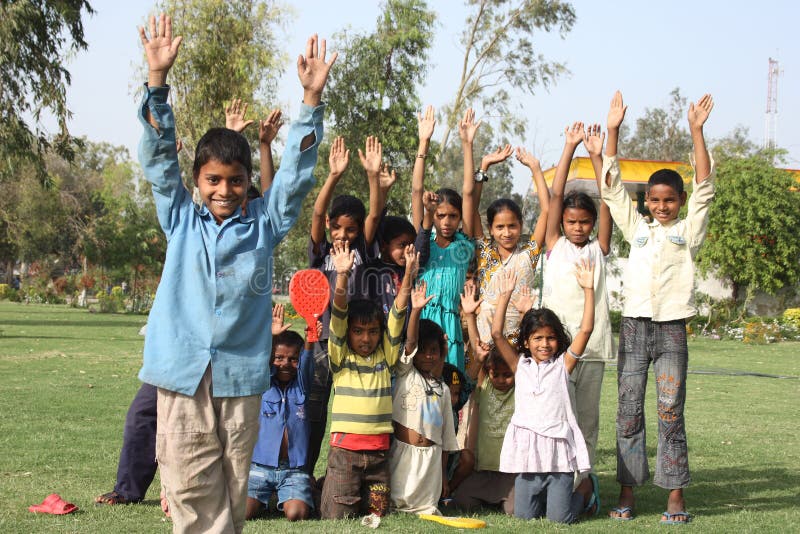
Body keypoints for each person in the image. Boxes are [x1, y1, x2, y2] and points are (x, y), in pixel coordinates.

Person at [136, 13, 335, 533]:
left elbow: (292, 180)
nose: (224, 190)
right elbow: (159, 161)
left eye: (236, 180)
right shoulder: (180, 218)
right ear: (198, 181)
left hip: (242, 377)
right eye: (213, 180)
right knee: (188, 486)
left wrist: (309, 103)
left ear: (249, 181)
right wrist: (157, 83)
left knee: (230, 485)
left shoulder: (262, 225)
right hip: (182, 374)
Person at [600, 91, 715, 525]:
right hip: (633, 328)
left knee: (670, 412)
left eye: (669, 200)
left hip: (671, 332)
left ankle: (675, 499)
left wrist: (697, 131)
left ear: (679, 203)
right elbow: (610, 188)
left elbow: (705, 186)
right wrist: (612, 131)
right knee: (628, 411)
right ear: (646, 201)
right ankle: (627, 494)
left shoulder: (688, 232)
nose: (661, 206)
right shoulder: (638, 229)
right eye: (654, 199)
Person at [305, 135, 388, 476]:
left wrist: (372, 176)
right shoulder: (321, 253)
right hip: (323, 342)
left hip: (355, 347)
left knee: (354, 414)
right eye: (337, 228)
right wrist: (333, 176)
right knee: (314, 410)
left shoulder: (363, 253)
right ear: (329, 228)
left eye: (350, 229)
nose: (343, 234)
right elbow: (317, 211)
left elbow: (374, 215)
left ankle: (349, 472)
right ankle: (303, 473)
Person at [541, 121, 614, 498]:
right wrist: (570, 148)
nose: (578, 227)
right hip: (555, 350)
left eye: (585, 222)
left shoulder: (598, 250)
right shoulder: (555, 244)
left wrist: (598, 155)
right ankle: (556, 479)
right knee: (554, 416)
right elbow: (554, 198)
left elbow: (608, 200)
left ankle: (584, 482)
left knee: (586, 419)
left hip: (594, 347)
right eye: (572, 221)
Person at [492, 268, 600, 524]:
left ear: (558, 340)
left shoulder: (563, 365)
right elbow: (497, 333)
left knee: (559, 519)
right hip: (529, 457)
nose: (544, 344)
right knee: (524, 516)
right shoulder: (520, 366)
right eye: (537, 338)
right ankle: (545, 498)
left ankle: (585, 491)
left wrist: (588, 289)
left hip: (559, 457)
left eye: (551, 338)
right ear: (527, 342)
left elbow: (586, 330)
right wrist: (505, 295)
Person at [319, 241, 414, 520]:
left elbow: (398, 313)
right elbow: (338, 314)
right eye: (358, 331)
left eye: (373, 332)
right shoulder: (340, 358)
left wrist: (408, 272)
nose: (365, 338)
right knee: (338, 516)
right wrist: (343, 275)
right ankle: (322, 489)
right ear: (348, 335)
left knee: (377, 514)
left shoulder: (386, 356)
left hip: (379, 458)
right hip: (345, 454)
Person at [413, 107, 478, 371]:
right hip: (421, 320)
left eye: (453, 216)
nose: (446, 221)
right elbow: (417, 190)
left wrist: (467, 145)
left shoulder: (464, 244)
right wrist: (424, 142)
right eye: (441, 215)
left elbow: (469, 191)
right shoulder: (424, 239)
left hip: (451, 327)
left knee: (450, 393)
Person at [390, 281, 460, 516]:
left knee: (426, 509)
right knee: (399, 504)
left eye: (435, 351)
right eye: (424, 349)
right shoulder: (406, 372)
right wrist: (416, 310)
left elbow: (446, 441)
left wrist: (443, 478)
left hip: (431, 462)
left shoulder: (443, 389)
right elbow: (410, 343)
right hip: (404, 455)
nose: (429, 356)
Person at [469, 142, 550, 344]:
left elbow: (547, 212)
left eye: (512, 226)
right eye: (499, 227)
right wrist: (484, 166)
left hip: (517, 339)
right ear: (491, 229)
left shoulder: (528, 254)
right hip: (484, 336)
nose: (506, 233)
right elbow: (470, 210)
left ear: (521, 226)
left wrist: (536, 169)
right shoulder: (485, 251)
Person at [246, 305, 317, 521]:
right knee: (242, 513)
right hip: (260, 467)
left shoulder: (302, 385)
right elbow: (260, 363)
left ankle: (295, 492)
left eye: (292, 359)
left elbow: (306, 363)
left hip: (292, 470)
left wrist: (311, 337)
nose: (285, 364)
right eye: (279, 358)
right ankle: (266, 497)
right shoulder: (263, 384)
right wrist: (270, 337)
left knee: (297, 514)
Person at [451, 283, 516, 515]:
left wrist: (525, 312)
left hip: (510, 473)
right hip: (483, 471)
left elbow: (524, 356)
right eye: (495, 374)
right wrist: (469, 316)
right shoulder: (484, 385)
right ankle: (490, 499)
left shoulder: (521, 389)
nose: (500, 379)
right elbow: (478, 350)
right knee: (463, 502)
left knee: (515, 511)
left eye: (507, 375)